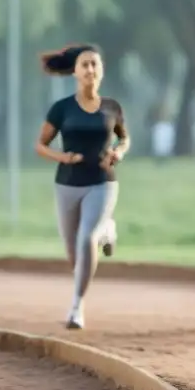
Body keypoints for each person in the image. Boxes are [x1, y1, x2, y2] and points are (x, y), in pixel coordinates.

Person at [35, 44, 129, 331]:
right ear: (75, 71)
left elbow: (124, 138)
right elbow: (40, 145)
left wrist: (120, 151)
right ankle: (107, 230)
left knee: (86, 238)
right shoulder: (62, 108)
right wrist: (62, 157)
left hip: (102, 182)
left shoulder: (111, 107)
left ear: (101, 71)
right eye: (84, 64)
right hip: (67, 184)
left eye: (94, 65)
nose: (90, 69)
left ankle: (77, 306)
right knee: (74, 255)